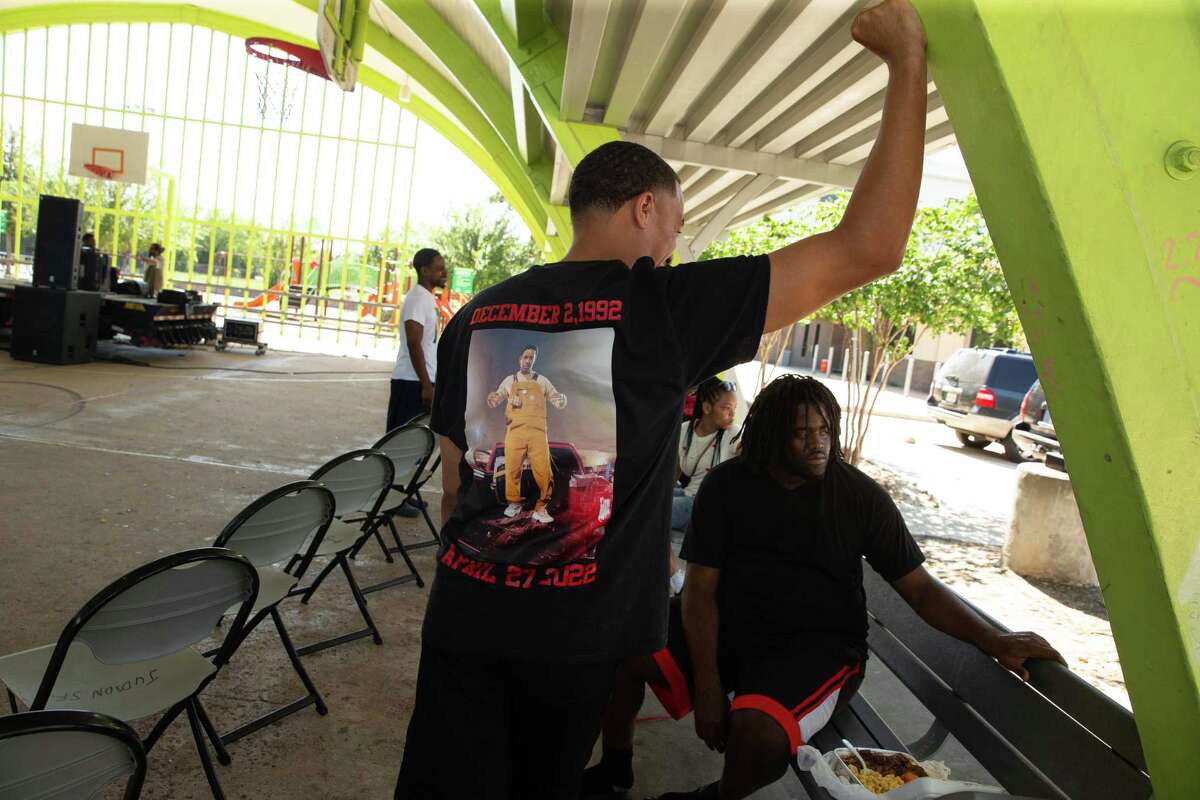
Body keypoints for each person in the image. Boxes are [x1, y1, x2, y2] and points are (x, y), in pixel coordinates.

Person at [397, 3, 934, 797]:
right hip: (574, 639)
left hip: (464, 618)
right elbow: (871, 246)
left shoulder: (476, 314)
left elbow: (451, 488)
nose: (673, 248)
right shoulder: (665, 306)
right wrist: (907, 64)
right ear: (645, 206)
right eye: (674, 227)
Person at [581, 376, 1065, 800]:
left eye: (825, 430)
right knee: (627, 648)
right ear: (771, 437)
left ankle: (716, 796)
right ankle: (615, 763)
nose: (819, 444)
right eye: (802, 433)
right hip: (732, 630)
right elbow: (701, 590)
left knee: (759, 733)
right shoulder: (727, 487)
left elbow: (919, 587)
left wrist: (994, 640)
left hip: (818, 648)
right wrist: (707, 686)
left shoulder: (858, 497)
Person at [487, 344, 568, 524]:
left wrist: (562, 399)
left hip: (538, 434)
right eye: (526, 357)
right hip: (515, 433)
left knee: (544, 472)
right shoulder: (510, 380)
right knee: (512, 470)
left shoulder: (542, 381)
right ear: (520, 359)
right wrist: (492, 397)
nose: (528, 360)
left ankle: (541, 508)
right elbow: (497, 397)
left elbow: (557, 400)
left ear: (534, 360)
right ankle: (514, 504)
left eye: (532, 357)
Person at [388, 248, 447, 432]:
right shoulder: (417, 299)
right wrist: (425, 385)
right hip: (410, 382)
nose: (444, 273)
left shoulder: (427, 298)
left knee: (413, 447)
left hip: (419, 380)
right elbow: (414, 343)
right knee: (400, 445)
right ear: (424, 270)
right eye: (439, 269)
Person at [673, 378, 738, 532]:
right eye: (727, 408)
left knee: (655, 509)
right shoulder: (685, 429)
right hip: (688, 494)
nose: (733, 414)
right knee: (650, 497)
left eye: (734, 408)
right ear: (707, 408)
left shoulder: (732, 434)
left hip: (707, 506)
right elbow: (674, 472)